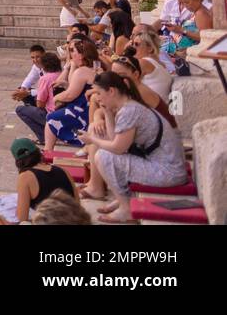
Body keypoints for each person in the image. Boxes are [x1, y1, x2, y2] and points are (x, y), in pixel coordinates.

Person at [80, 71, 188, 224]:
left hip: (168, 172)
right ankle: (123, 198)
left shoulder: (130, 111)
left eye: (99, 92)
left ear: (111, 91)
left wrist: (92, 140)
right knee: (103, 146)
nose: (96, 98)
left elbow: (118, 149)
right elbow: (113, 139)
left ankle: (126, 208)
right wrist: (107, 112)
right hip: (165, 166)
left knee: (102, 156)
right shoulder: (129, 106)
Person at [45, 38, 99, 151]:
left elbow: (70, 94)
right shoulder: (90, 69)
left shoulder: (83, 71)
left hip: (82, 111)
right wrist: (72, 65)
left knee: (51, 118)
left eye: (72, 50)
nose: (70, 54)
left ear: (81, 55)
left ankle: (48, 150)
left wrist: (55, 98)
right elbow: (71, 84)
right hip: (87, 109)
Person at [9, 138, 78, 224]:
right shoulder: (62, 170)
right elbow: (77, 203)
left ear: (18, 162)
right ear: (38, 153)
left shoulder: (25, 177)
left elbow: (22, 218)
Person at [14, 51, 63, 143]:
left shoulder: (46, 78)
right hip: (64, 112)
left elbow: (40, 104)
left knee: (20, 110)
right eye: (33, 57)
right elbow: (29, 79)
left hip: (52, 114)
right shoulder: (64, 75)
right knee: (27, 95)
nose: (35, 60)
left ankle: (44, 137)